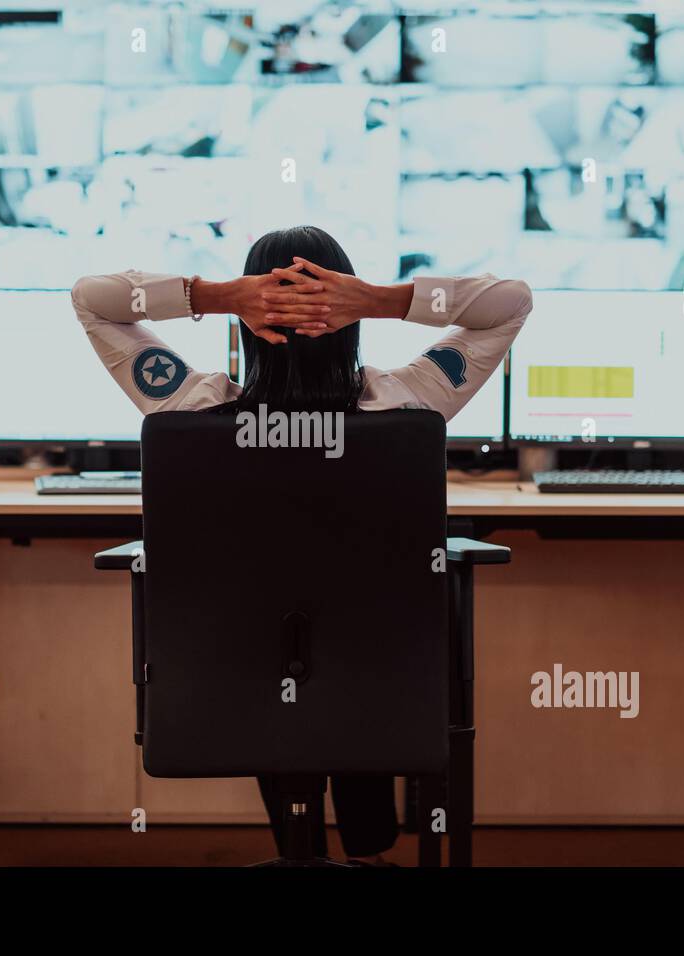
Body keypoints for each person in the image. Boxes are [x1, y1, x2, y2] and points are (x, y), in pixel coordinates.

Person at [72, 225, 532, 863]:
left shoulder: (185, 407)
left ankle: (298, 837)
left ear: (243, 324)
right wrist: (382, 299)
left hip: (235, 671)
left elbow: (92, 298)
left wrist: (216, 294)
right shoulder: (409, 404)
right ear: (351, 320)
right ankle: (365, 828)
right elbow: (511, 300)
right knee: (343, 630)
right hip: (382, 676)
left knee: (271, 628)